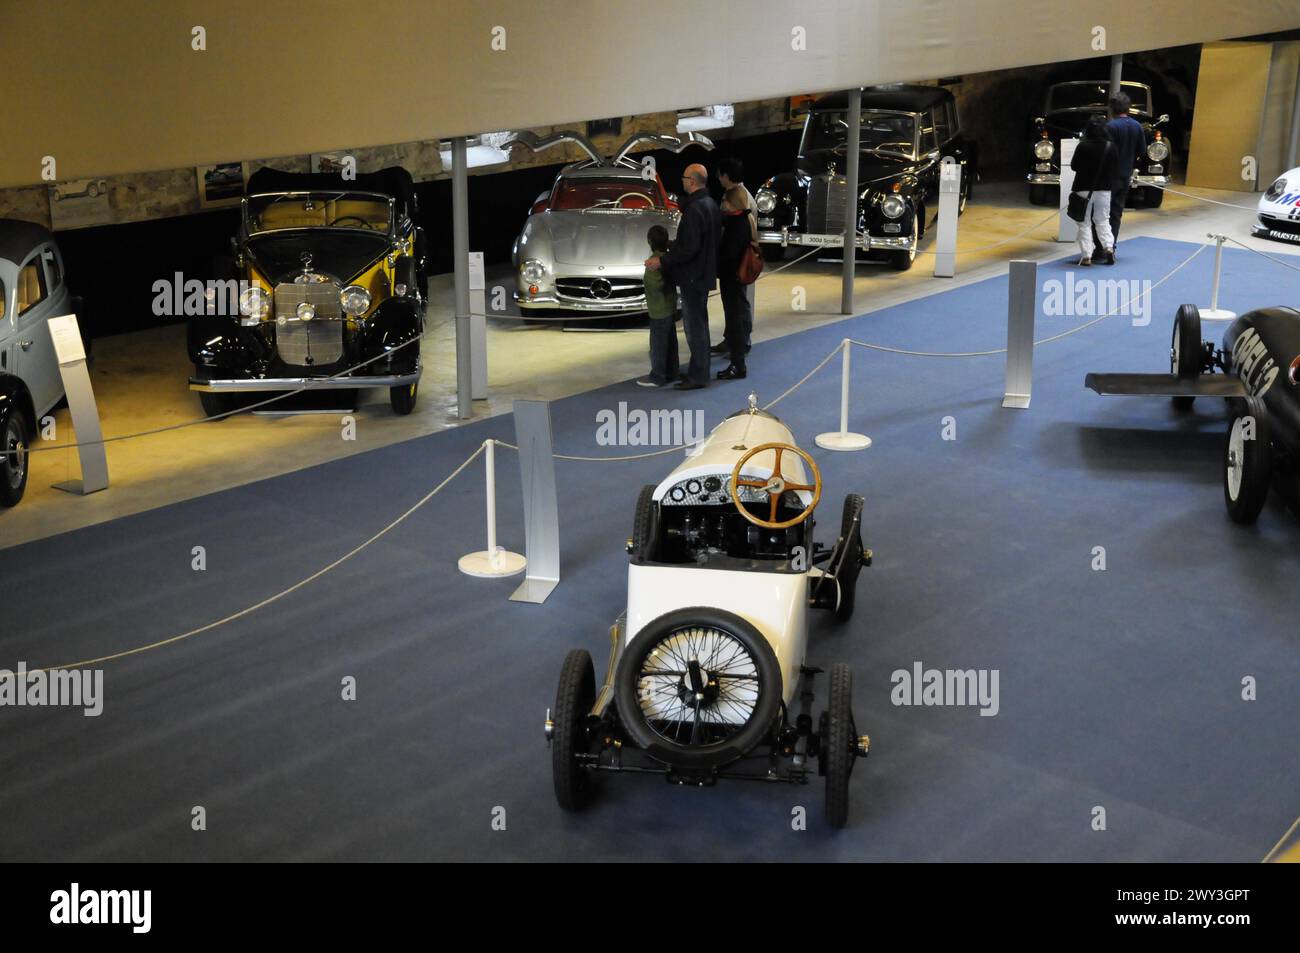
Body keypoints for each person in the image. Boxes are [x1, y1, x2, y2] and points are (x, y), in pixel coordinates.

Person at [646, 163, 720, 390]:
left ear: (693, 181)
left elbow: (690, 248)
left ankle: (698, 376)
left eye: (685, 177)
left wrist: (663, 259)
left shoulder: (695, 209)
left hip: (692, 276)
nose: (682, 181)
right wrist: (674, 245)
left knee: (694, 326)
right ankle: (700, 371)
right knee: (700, 324)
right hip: (703, 273)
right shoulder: (710, 205)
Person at [712, 157, 756, 373]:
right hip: (736, 272)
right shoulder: (740, 216)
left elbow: (730, 252)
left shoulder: (738, 223)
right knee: (737, 310)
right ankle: (735, 344)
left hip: (735, 274)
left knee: (737, 312)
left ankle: (739, 352)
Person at [1104, 92, 1146, 261]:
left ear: (1112, 108)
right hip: (1125, 175)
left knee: (1101, 213)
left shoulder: (1110, 127)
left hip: (1109, 176)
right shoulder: (1137, 126)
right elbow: (1141, 151)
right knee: (1116, 213)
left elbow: (1105, 152)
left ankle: (1100, 247)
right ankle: (1111, 246)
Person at [637, 225, 680, 388]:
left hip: (658, 311)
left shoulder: (654, 263)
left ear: (649, 242)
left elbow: (654, 285)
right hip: (670, 308)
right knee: (671, 342)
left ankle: (658, 376)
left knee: (658, 345)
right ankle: (672, 372)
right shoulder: (668, 259)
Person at [1070, 116, 1116, 267]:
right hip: (1104, 189)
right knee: (1103, 220)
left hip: (1083, 188)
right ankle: (1108, 247)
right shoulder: (1111, 146)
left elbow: (1074, 166)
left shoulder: (1083, 146)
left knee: (1084, 223)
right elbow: (1113, 168)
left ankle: (1086, 256)